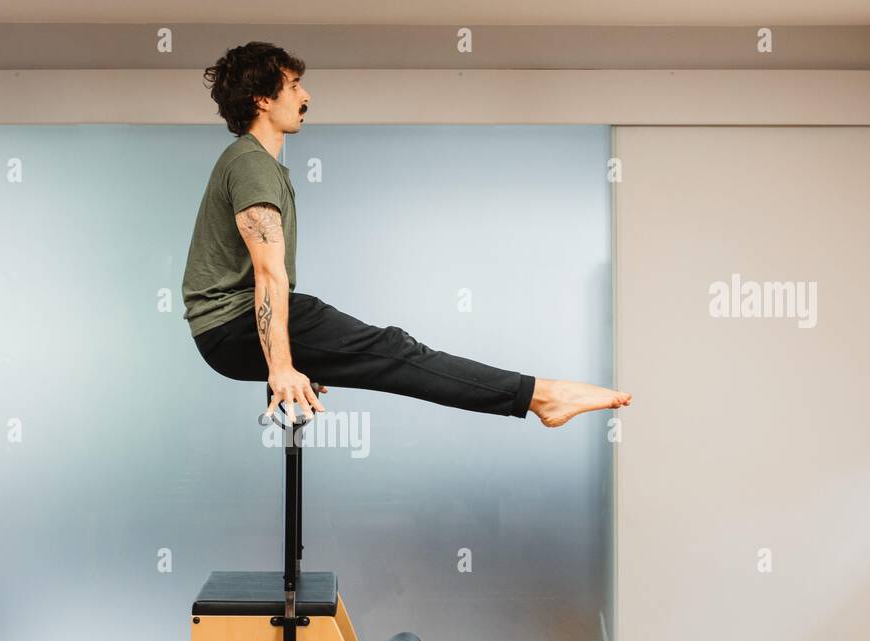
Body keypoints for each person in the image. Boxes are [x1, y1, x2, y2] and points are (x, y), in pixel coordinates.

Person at [182, 42, 632, 428]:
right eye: (295, 84)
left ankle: (536, 395)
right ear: (262, 98)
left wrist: (305, 356)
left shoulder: (255, 163)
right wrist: (280, 366)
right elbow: (269, 274)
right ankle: (540, 397)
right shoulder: (251, 164)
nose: (306, 95)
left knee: (388, 355)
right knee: (395, 351)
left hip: (228, 333)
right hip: (233, 327)